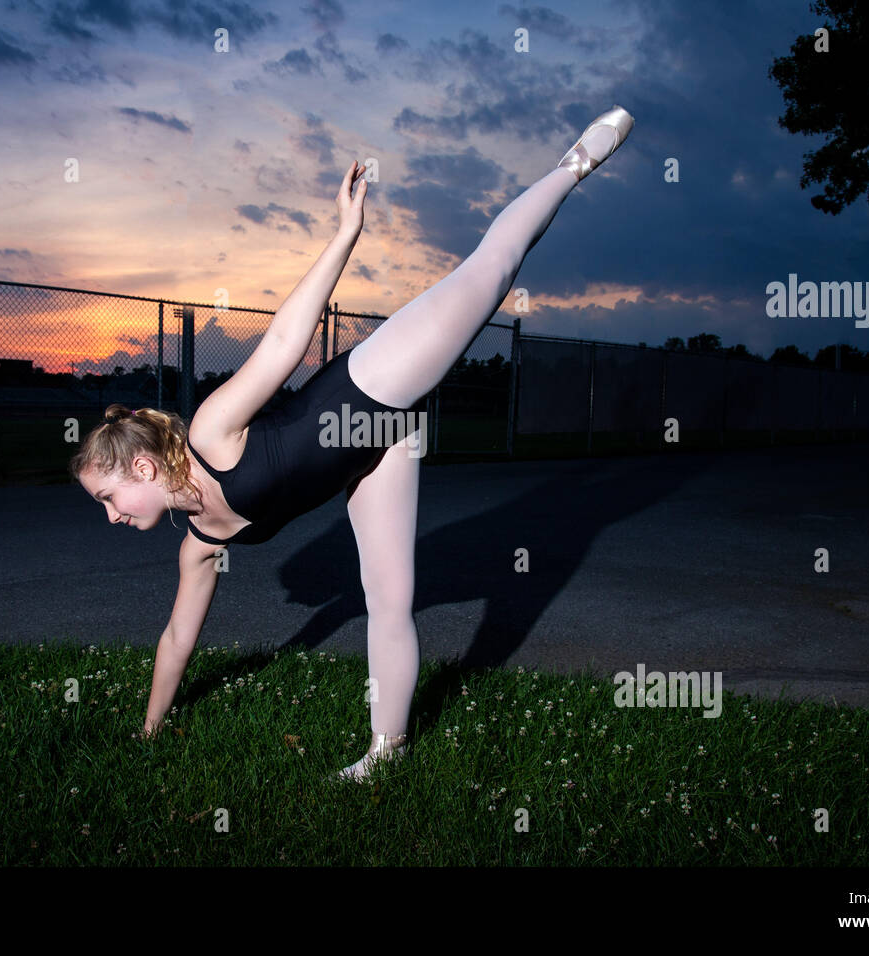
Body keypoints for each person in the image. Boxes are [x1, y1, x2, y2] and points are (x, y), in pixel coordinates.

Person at [71, 106, 634, 782]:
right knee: (389, 600)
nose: (110, 516)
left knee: (489, 271)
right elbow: (177, 640)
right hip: (379, 452)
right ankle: (385, 754)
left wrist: (346, 233)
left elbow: (284, 341)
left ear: (139, 465)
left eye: (108, 497)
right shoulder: (199, 547)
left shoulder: (210, 433)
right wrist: (150, 729)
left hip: (370, 387)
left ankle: (574, 163)